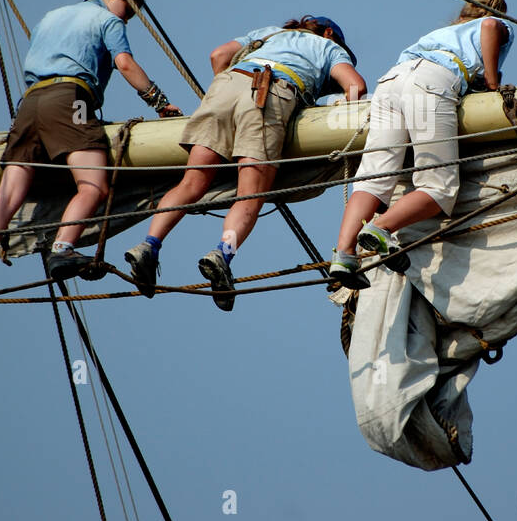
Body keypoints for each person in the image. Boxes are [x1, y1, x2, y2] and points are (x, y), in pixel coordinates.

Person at [0, 0, 180, 318]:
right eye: (127, 12)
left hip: (29, 107)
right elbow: (124, 63)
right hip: (72, 99)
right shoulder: (108, 20)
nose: (125, 19)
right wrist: (160, 103)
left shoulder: (50, 17)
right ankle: (63, 248)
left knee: (7, 196)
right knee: (93, 186)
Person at [124, 16, 367, 310]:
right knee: (250, 195)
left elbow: (218, 55)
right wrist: (345, 114)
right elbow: (355, 86)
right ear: (328, 32)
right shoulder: (328, 47)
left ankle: (149, 245)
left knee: (191, 183)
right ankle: (221, 254)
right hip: (268, 93)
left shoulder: (269, 33)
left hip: (224, 88)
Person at [328, 0, 513, 289]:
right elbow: (491, 26)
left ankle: (344, 254)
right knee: (438, 187)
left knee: (373, 177)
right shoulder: (495, 24)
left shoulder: (443, 33)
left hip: (390, 83)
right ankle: (381, 227)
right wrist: (492, 84)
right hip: (429, 84)